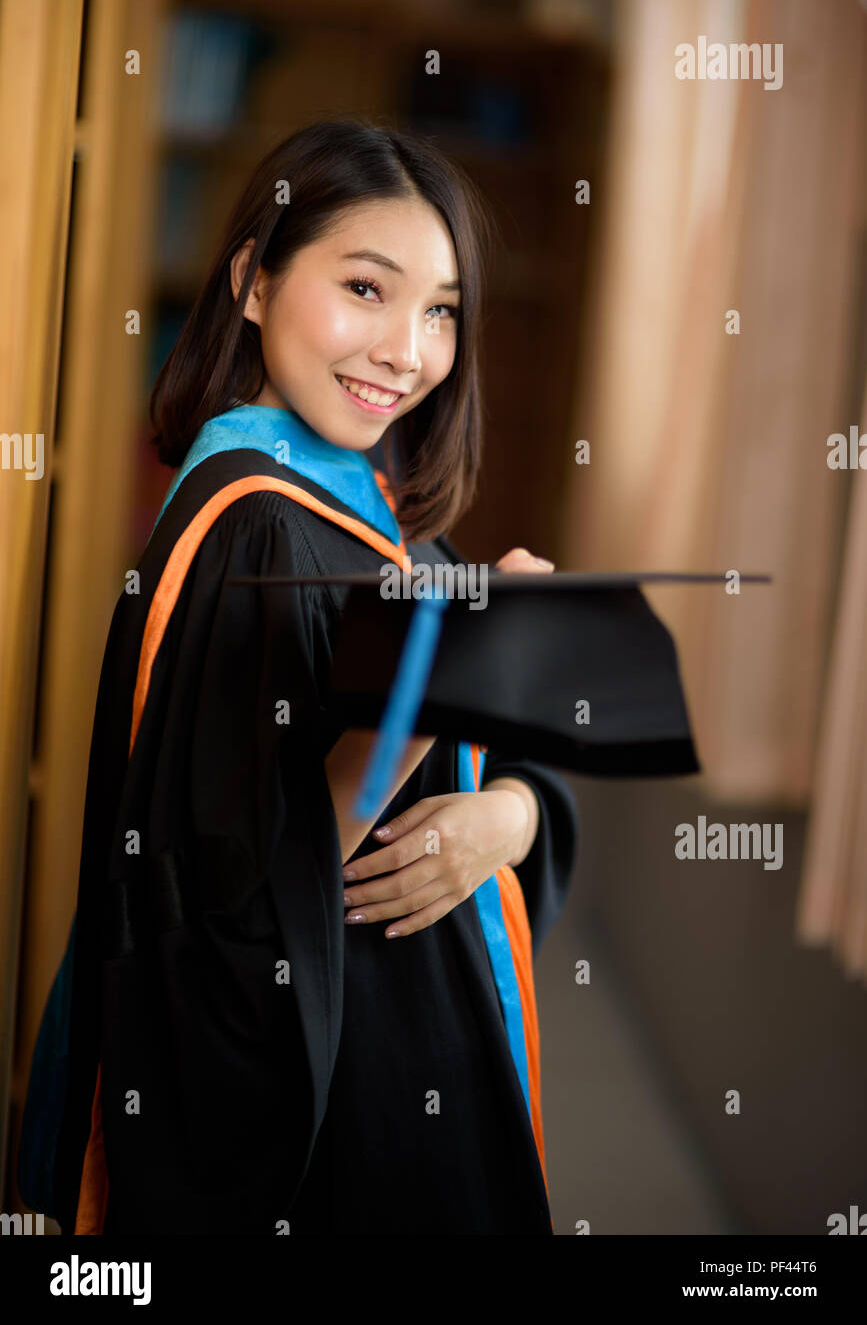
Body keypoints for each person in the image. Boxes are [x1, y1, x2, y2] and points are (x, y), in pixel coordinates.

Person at [53, 118, 578, 1236]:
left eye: (440, 309)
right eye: (365, 288)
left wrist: (513, 815)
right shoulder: (256, 528)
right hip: (348, 1104)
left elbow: (511, 766)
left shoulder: (358, 500)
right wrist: (456, 670)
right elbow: (252, 879)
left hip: (425, 1048)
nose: (407, 349)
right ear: (252, 279)